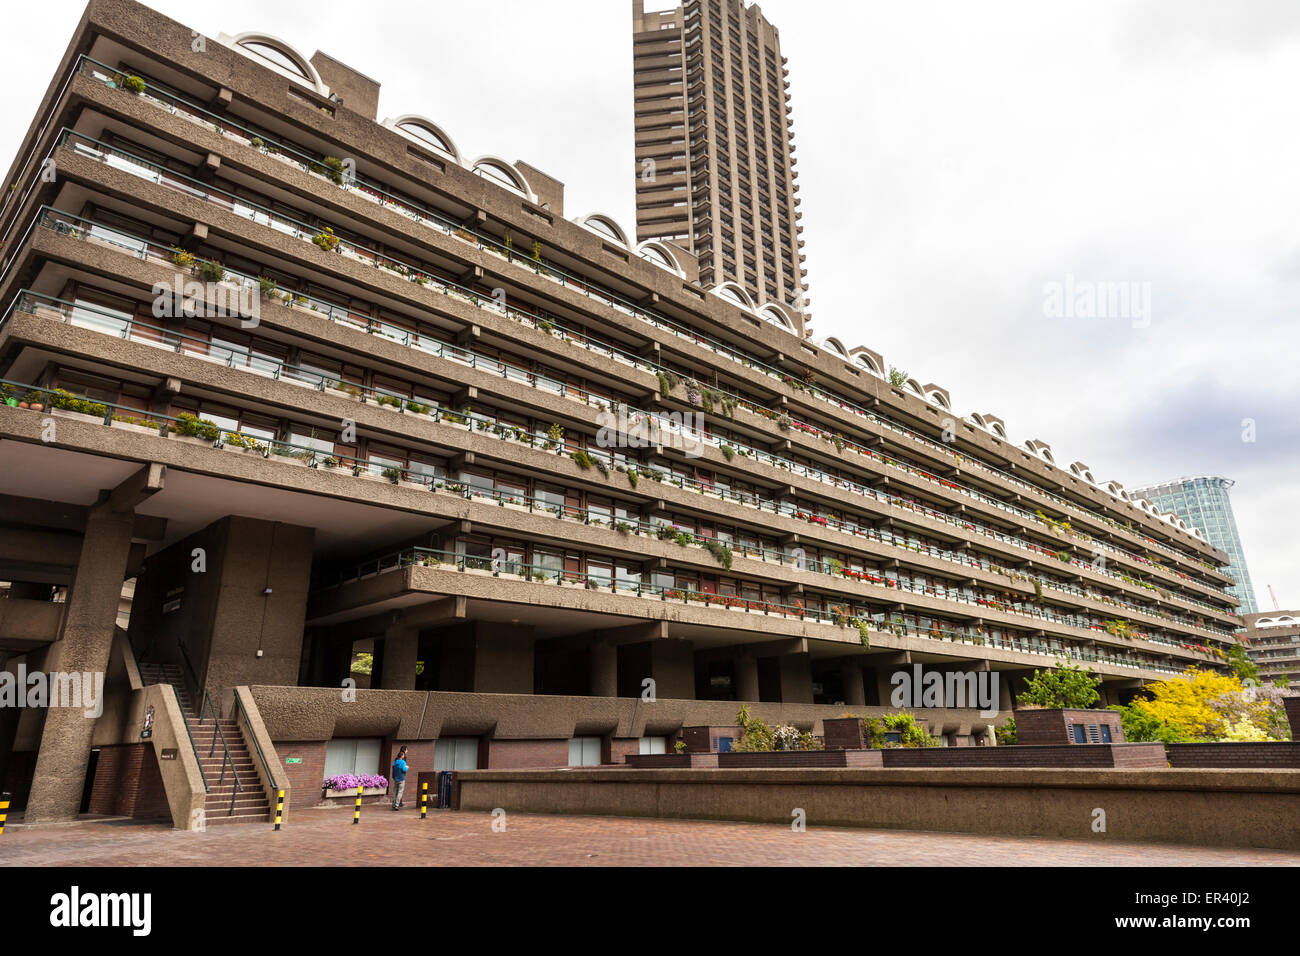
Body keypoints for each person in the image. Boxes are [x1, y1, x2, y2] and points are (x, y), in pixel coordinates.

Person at [391, 746, 409, 810]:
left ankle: (393, 804)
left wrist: (393, 777)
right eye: (403, 755)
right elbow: (404, 770)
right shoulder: (403, 762)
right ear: (401, 756)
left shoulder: (395, 762)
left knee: (395, 792)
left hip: (396, 779)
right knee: (400, 792)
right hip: (401, 779)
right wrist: (407, 767)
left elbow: (393, 771)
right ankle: (396, 805)